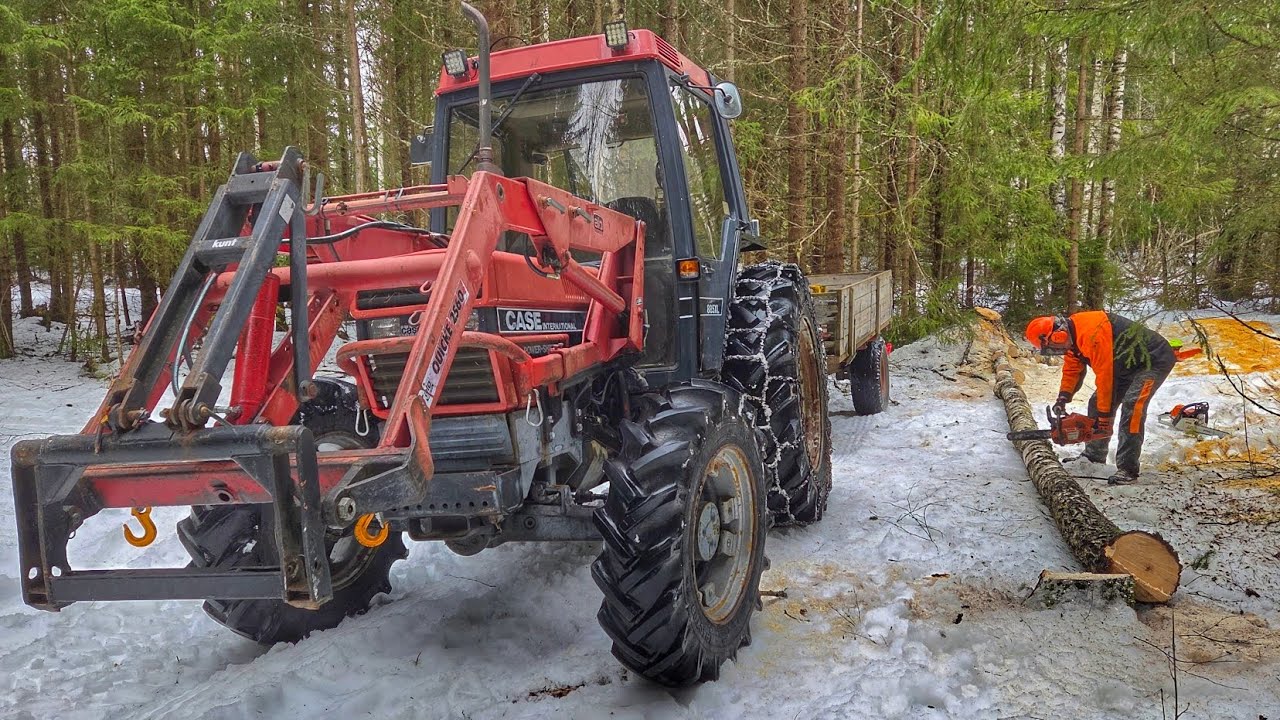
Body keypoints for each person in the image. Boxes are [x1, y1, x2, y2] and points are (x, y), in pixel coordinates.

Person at [1025, 311, 1176, 485]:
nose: (1057, 351)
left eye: (1053, 347)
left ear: (1058, 336)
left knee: (1133, 406)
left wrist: (1104, 419)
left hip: (1152, 360)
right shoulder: (1072, 337)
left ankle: (1128, 468)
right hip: (1124, 365)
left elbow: (1106, 379)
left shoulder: (1092, 334)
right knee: (1096, 404)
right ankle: (1094, 455)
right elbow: (1072, 370)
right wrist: (1063, 398)